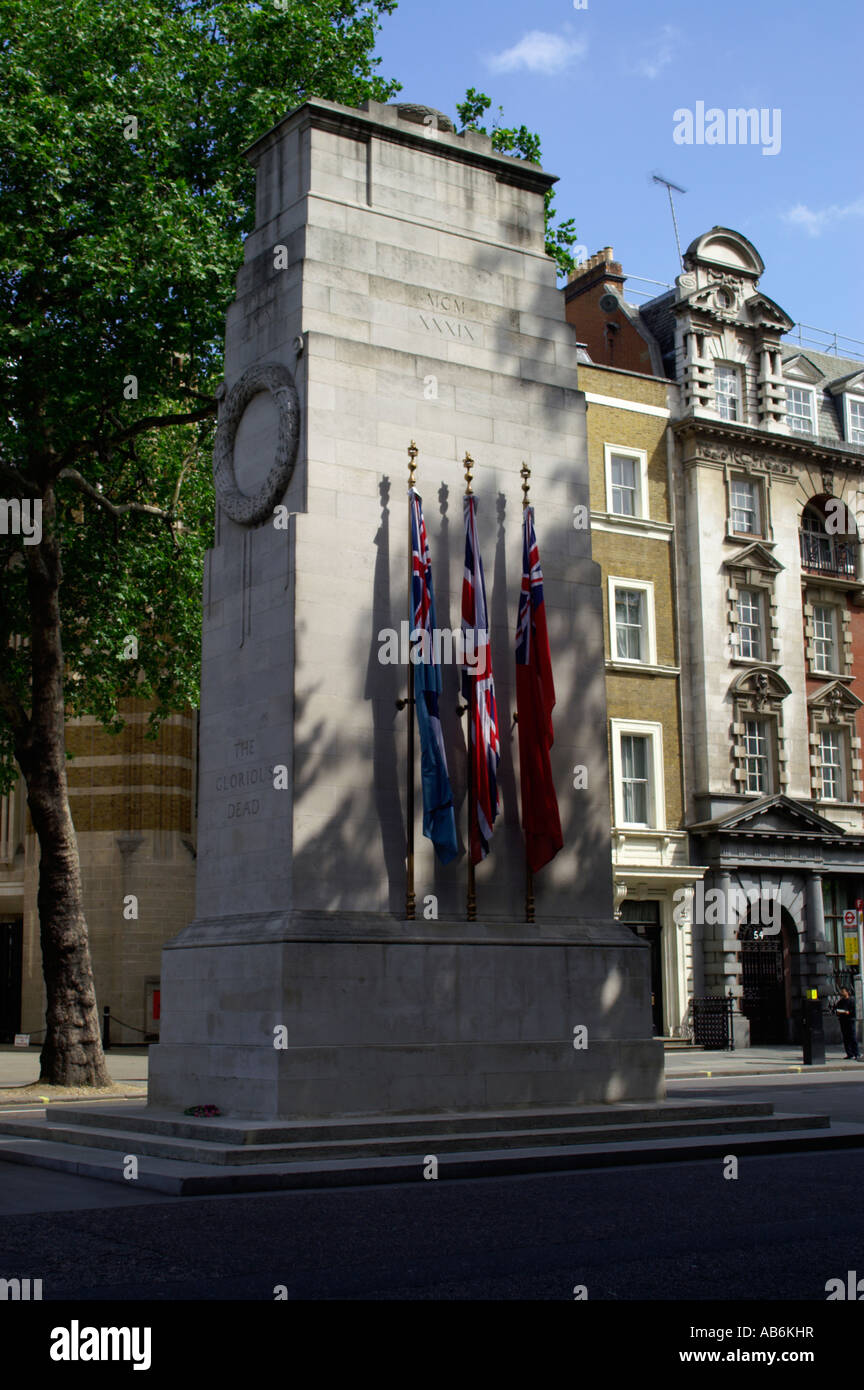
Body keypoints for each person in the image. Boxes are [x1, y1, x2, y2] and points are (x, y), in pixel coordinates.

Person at [835, 986, 860, 1060]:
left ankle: (856, 1053)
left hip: (850, 1020)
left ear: (847, 992)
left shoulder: (851, 1001)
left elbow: (854, 1011)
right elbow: (836, 1009)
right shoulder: (840, 1001)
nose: (842, 993)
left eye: (843, 991)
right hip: (843, 1021)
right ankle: (849, 1054)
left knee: (852, 1037)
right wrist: (838, 1012)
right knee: (846, 1038)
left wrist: (848, 1012)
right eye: (841, 991)